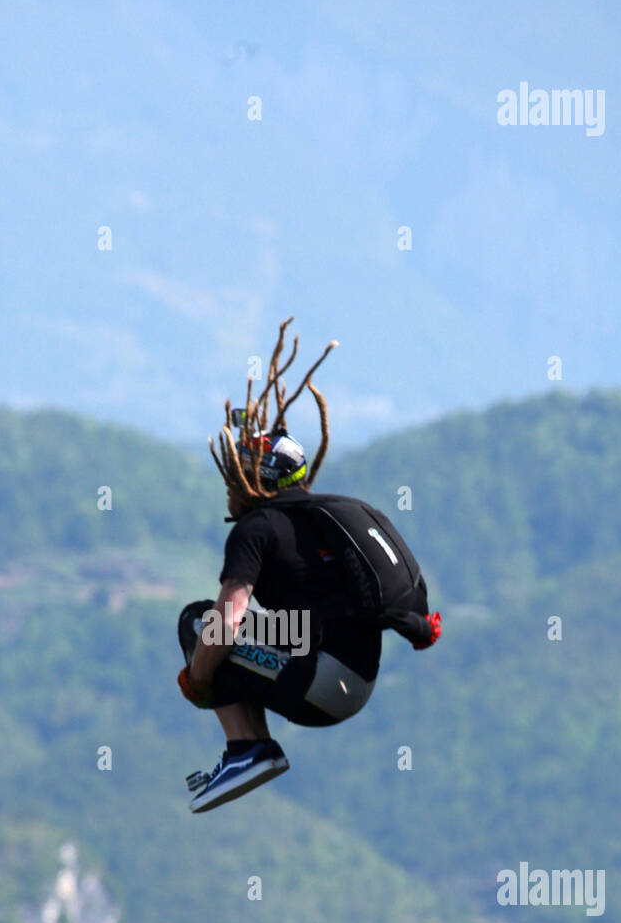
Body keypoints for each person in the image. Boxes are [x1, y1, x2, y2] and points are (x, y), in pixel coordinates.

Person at [177, 319, 441, 812]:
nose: (228, 486)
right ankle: (250, 750)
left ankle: (248, 749)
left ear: (257, 483)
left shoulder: (255, 530)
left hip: (321, 685)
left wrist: (196, 679)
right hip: (353, 680)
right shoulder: (325, 517)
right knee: (244, 632)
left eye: (235, 475)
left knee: (199, 622)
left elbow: (229, 620)